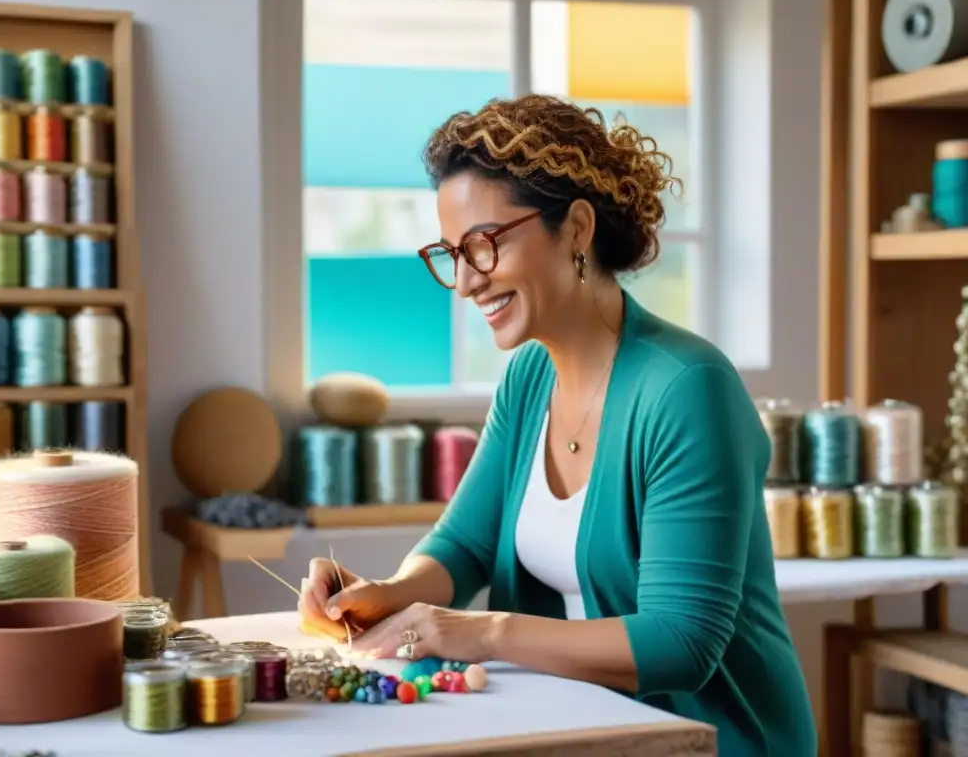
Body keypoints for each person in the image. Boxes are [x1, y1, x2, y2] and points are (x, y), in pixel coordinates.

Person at [299, 94, 817, 756]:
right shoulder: (529, 379)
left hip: (713, 740)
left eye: (483, 246)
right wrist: (387, 597)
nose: (464, 283)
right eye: (451, 255)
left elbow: (681, 643)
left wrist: (476, 632)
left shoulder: (688, 391)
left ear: (575, 229)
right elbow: (465, 547)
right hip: (592, 727)